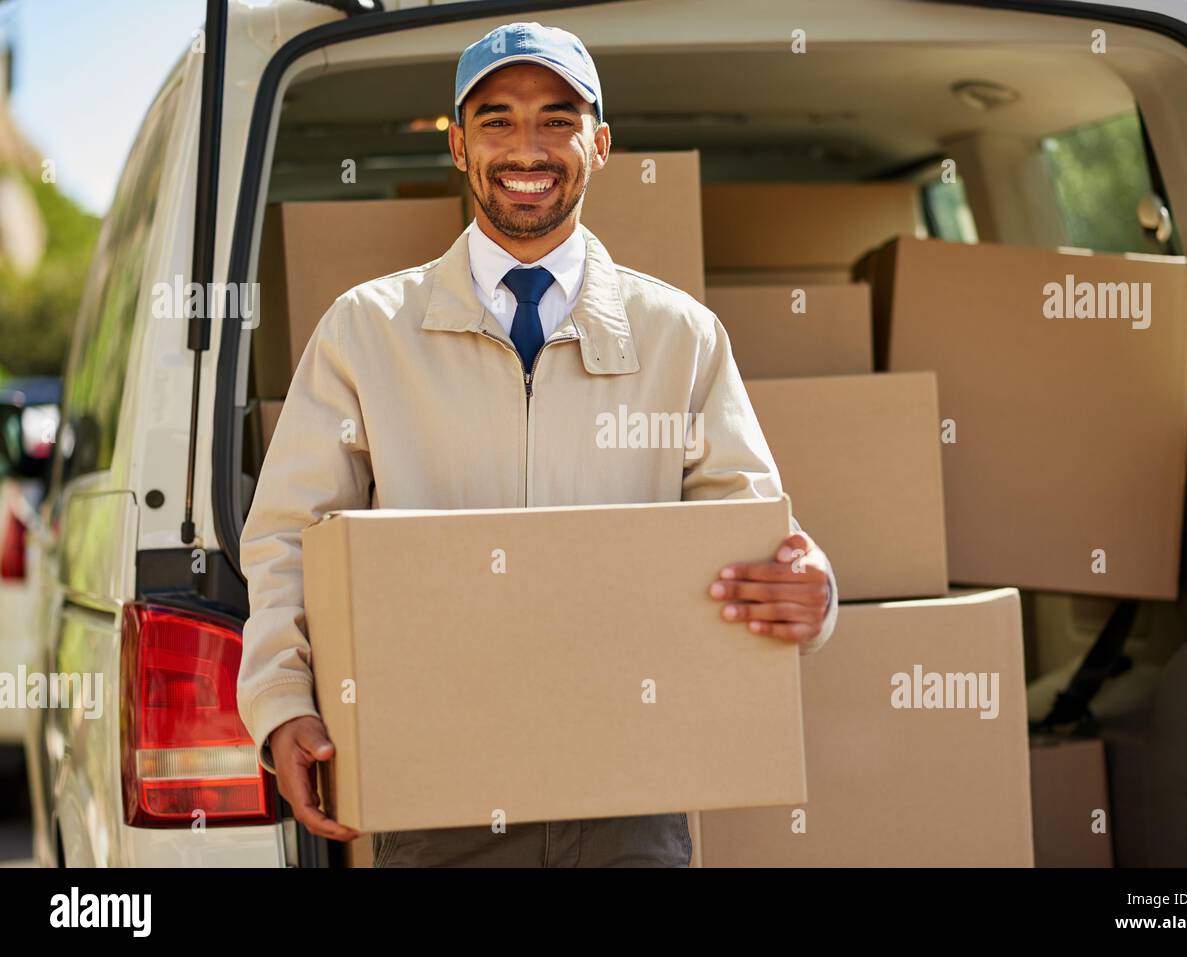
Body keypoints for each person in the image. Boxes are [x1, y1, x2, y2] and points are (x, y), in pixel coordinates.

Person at [236, 21, 838, 868]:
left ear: (600, 144)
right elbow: (288, 540)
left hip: (630, 795)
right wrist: (280, 701)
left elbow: (757, 542)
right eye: (497, 120)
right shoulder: (365, 333)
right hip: (432, 794)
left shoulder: (681, 337)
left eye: (558, 119)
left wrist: (814, 595)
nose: (530, 146)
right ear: (456, 144)